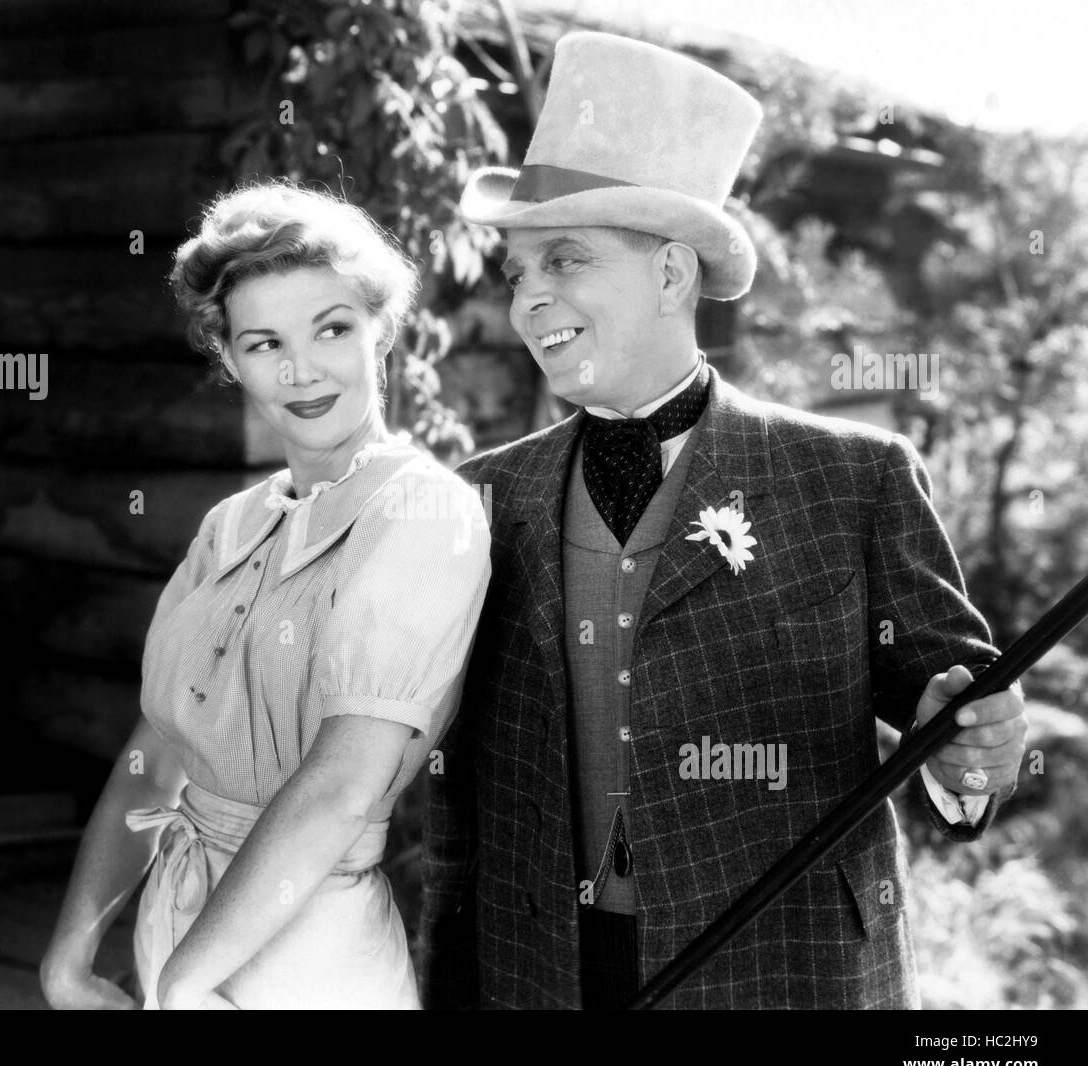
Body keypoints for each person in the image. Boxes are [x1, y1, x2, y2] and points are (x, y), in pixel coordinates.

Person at [419, 31, 1028, 1010]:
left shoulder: (854, 477)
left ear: (670, 275)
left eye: (563, 258)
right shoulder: (476, 497)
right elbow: (449, 800)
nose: (528, 296)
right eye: (517, 268)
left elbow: (951, 708)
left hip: (784, 973)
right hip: (546, 973)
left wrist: (971, 748)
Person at [41, 181, 490, 1009]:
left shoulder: (425, 514)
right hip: (176, 930)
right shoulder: (231, 524)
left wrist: (184, 984)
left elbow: (340, 787)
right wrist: (70, 956)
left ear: (380, 328)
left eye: (332, 328)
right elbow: (154, 759)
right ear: (228, 356)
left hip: (309, 952)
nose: (300, 369)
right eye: (262, 342)